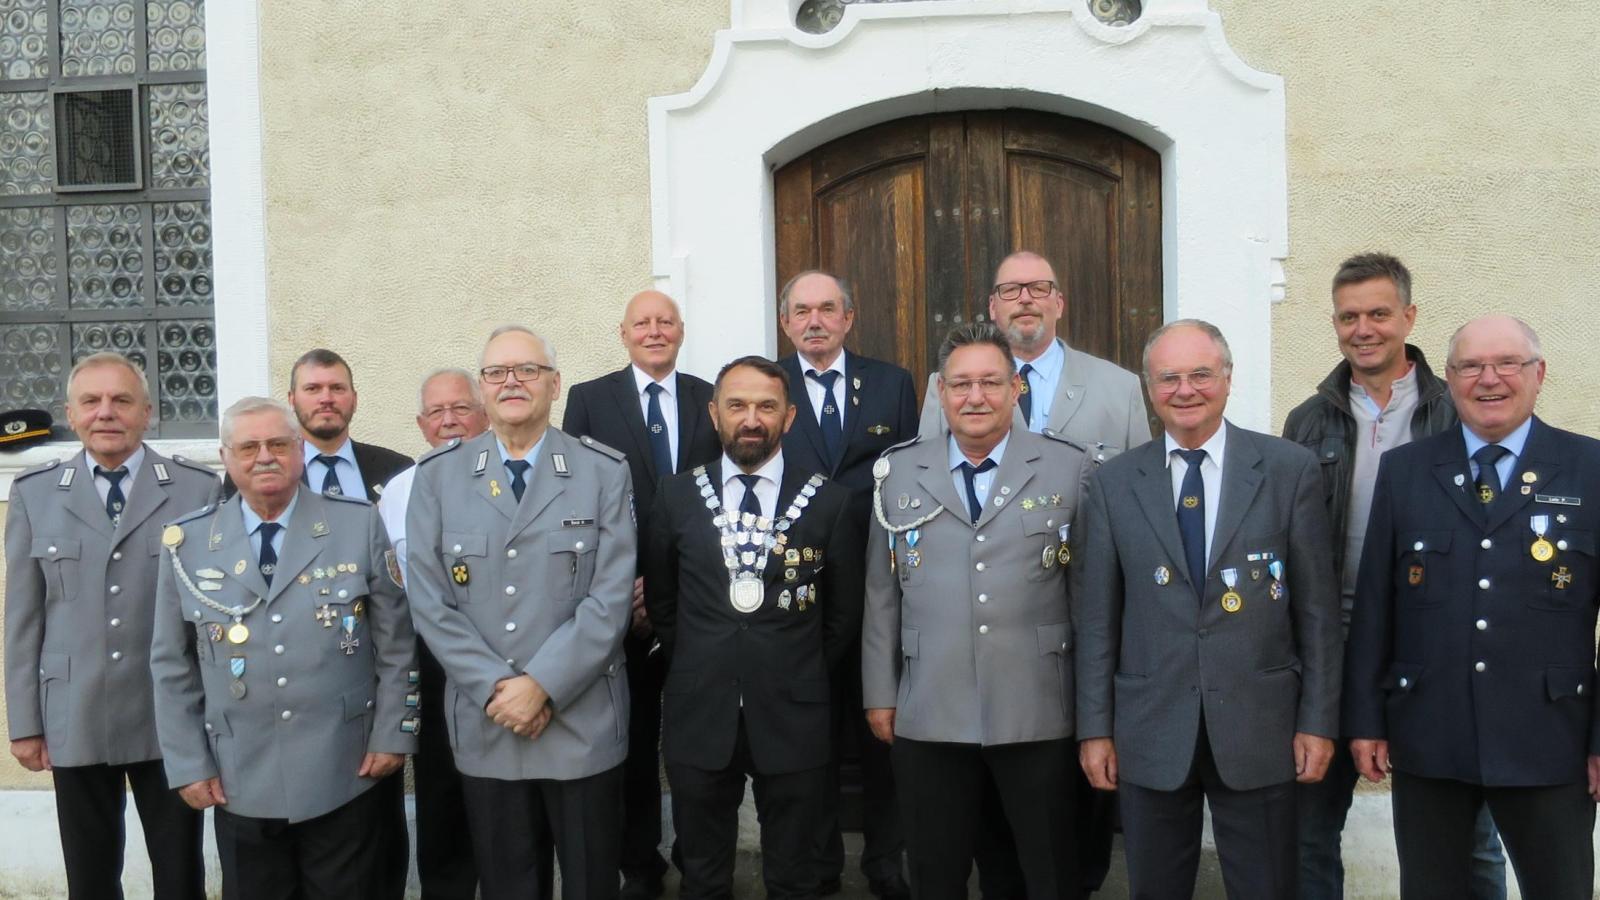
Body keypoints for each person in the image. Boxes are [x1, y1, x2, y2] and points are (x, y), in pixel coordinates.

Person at [1075, 319, 1341, 898]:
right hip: (1150, 726)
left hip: (1260, 725)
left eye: (1200, 374)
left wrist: (1318, 722)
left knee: (1267, 886)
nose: (1185, 390)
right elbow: (1097, 621)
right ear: (1149, 388)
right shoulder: (1114, 484)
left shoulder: (1287, 469)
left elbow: (1316, 614)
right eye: (1169, 378)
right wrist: (1094, 729)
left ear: (1227, 378)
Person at [1344, 315, 1600, 900]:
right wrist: (1365, 719)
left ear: (1539, 375)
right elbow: (1377, 607)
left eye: (1507, 364)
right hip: (1431, 732)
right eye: (1470, 367)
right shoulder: (1407, 471)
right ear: (1450, 379)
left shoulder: (1590, 468)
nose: (1490, 380)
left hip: (1550, 736)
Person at [919, 250, 1144, 897]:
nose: (1024, 300)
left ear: (1059, 302)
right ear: (992, 306)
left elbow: (1133, 510)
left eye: (1038, 288)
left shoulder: (1118, 388)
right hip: (991, 646)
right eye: (1010, 290)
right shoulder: (954, 389)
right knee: (998, 823)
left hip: (1084, 629)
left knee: (1079, 813)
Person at [1282, 253, 1504, 899]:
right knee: (1308, 833)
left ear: (1409, 316)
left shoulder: (1453, 412)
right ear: (1334, 324)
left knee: (1466, 839)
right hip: (1332, 653)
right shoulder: (1309, 420)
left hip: (1433, 654)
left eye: (1379, 313)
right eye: (1349, 316)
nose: (1364, 328)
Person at [150, 396, 418, 897]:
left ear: (299, 450)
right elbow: (171, 665)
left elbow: (396, 644)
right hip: (240, 774)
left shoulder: (356, 524)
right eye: (248, 447)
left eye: (278, 443)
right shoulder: (185, 542)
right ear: (226, 458)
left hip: (343, 768)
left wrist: (393, 735)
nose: (264, 456)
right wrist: (188, 762)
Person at [862, 323, 1092, 899]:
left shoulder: (1071, 469)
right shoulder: (896, 474)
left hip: (1037, 706)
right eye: (961, 384)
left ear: (1017, 389)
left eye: (990, 382)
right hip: (930, 705)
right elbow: (880, 596)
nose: (975, 397)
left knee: (1044, 873)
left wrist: (1095, 710)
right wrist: (880, 693)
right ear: (940, 392)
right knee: (936, 873)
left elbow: (1090, 600)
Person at [405, 325, 635, 900]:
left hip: (580, 722)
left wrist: (544, 686)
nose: (512, 382)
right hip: (491, 721)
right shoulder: (437, 477)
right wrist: (500, 689)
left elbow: (610, 600)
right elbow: (430, 602)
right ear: (482, 389)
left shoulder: (603, 471)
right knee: (508, 886)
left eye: (527, 370)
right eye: (496, 372)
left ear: (554, 385)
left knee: (591, 885)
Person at [643, 355, 864, 900]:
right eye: (737, 405)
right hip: (700, 712)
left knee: (795, 874)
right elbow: (664, 606)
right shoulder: (674, 498)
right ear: (714, 413)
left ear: (789, 418)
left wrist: (791, 667)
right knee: (703, 872)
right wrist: (704, 661)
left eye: (766, 406)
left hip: (794, 712)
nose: (751, 418)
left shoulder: (831, 503)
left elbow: (841, 617)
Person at [5, 352, 217, 900]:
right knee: (90, 877)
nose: (107, 413)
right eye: (91, 402)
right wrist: (25, 722)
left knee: (180, 874)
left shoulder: (196, 491)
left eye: (122, 400)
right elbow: (23, 620)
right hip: (74, 714)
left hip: (168, 716)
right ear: (69, 415)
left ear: (147, 412)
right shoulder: (34, 495)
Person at [563, 289, 721, 900]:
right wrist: (616, 585)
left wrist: (669, 585)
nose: (654, 331)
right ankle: (638, 862)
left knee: (691, 738)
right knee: (627, 740)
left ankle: (693, 849)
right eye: (642, 323)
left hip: (694, 600)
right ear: (623, 333)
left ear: (681, 331)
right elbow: (575, 498)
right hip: (616, 601)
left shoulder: (710, 397)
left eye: (666, 322)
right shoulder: (590, 399)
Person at [775, 270, 916, 899]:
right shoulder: (768, 389)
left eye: (827, 309)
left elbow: (911, 476)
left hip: (882, 583)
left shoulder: (890, 384)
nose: (814, 320)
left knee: (886, 732)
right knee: (811, 738)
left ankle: (888, 862)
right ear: (786, 323)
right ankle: (819, 864)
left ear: (848, 319)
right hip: (797, 590)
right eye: (802, 310)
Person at [281, 346, 414, 897]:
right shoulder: (269, 472)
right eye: (313, 389)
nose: (326, 399)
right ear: (293, 401)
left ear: (355, 398)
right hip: (300, 682)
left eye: (336, 388)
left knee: (379, 824)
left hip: (377, 679)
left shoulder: (397, 471)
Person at [377, 367, 493, 900]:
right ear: (422, 426)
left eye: (461, 408)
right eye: (437, 413)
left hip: (509, 655)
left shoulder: (516, 472)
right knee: (442, 793)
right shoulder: (399, 491)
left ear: (484, 414)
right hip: (434, 661)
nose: (450, 422)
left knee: (505, 796)